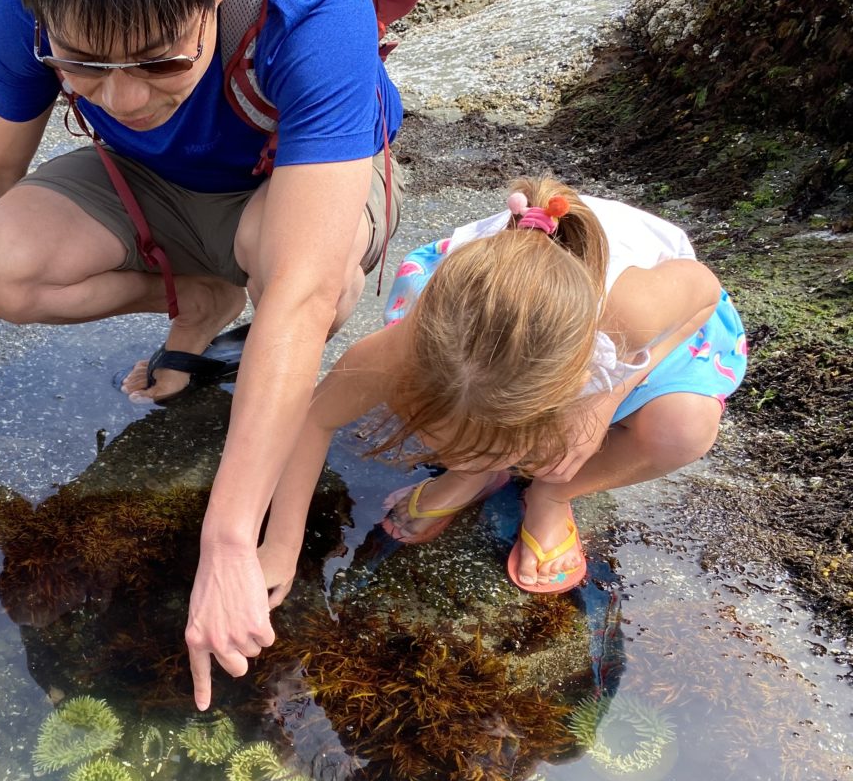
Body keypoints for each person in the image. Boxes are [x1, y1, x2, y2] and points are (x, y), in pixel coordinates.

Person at [0, 0, 408, 710]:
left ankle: (231, 280)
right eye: (82, 67)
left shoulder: (311, 9)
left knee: (322, 283)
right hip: (149, 183)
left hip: (281, 186)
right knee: (1, 266)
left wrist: (227, 539)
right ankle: (203, 294)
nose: (121, 101)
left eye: (161, 63)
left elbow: (304, 293)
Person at [256, 176, 747, 613]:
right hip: (479, 304)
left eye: (488, 450)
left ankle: (553, 494)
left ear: (555, 402)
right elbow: (314, 418)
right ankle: (473, 475)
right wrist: (279, 546)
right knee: (476, 412)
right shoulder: (410, 347)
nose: (442, 450)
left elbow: (702, 295)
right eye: (444, 446)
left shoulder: (628, 316)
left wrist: (604, 399)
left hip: (654, 315)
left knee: (682, 429)